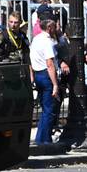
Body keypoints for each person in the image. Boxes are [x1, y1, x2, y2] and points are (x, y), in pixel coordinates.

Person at [30, 7, 61, 146]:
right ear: (49, 26)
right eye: (54, 25)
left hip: (38, 75)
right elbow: (49, 64)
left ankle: (40, 139)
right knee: (49, 111)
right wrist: (55, 84)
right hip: (45, 75)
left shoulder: (36, 39)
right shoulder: (47, 41)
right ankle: (44, 140)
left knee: (45, 109)